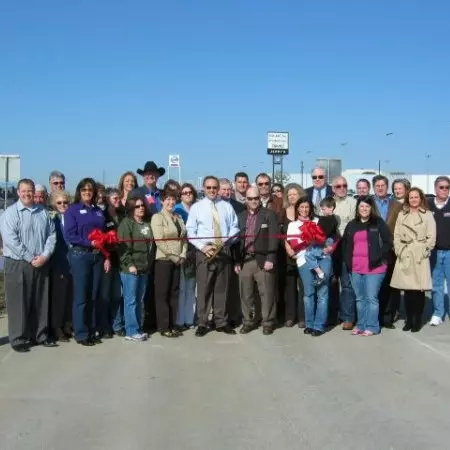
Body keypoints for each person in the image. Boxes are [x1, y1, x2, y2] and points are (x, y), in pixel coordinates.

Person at [0, 178, 57, 352]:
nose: (27, 194)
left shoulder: (43, 213)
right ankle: (18, 338)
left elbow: (51, 235)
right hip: (17, 263)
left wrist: (45, 256)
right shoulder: (9, 214)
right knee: (19, 301)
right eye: (23, 191)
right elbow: (11, 241)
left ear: (34, 192)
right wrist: (30, 257)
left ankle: (40, 335)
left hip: (41, 262)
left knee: (41, 299)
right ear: (18, 192)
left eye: (30, 191)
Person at [186, 175, 239, 336]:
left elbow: (235, 227)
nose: (212, 190)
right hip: (205, 252)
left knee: (221, 288)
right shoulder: (197, 207)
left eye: (214, 187)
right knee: (204, 289)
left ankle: (221, 321)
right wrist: (202, 247)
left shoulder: (226, 206)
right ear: (203, 188)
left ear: (218, 189)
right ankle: (202, 322)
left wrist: (226, 240)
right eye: (208, 187)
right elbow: (190, 231)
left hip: (223, 250)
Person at [64, 178, 110, 346]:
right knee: (81, 297)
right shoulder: (72, 210)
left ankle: (91, 330)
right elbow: (70, 235)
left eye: (90, 189)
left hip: (97, 256)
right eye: (83, 189)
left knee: (93, 295)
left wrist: (106, 255)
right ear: (79, 191)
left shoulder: (98, 211)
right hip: (80, 256)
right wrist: (88, 242)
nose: (87, 192)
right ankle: (81, 334)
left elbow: (103, 233)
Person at [342, 196, 392, 336]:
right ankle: (361, 324)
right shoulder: (352, 224)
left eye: (367, 206)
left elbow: (388, 242)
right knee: (359, 298)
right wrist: (348, 262)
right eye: (362, 206)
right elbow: (346, 245)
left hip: (375, 267)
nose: (364, 209)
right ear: (358, 208)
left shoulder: (378, 223)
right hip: (356, 267)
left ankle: (372, 326)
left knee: (371, 297)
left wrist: (379, 257)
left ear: (371, 208)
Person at [234, 186, 278, 335]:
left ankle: (268, 322)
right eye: (250, 198)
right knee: (245, 294)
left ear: (260, 199)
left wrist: (271, 258)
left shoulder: (269, 215)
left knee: (266, 293)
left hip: (263, 259)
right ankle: (247, 321)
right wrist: (236, 261)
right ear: (246, 199)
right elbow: (236, 241)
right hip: (245, 259)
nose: (253, 201)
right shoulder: (241, 216)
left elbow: (273, 238)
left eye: (256, 198)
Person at [391, 188, 436, 332]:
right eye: (411, 197)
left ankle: (417, 320)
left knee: (419, 290)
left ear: (421, 198)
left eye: (416, 197)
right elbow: (396, 234)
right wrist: (399, 250)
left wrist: (425, 250)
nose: (414, 199)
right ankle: (409, 320)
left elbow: (432, 237)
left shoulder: (428, 215)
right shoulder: (401, 214)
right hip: (405, 253)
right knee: (408, 291)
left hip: (419, 254)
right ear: (407, 199)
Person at [286, 197, 333, 336]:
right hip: (303, 261)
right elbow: (294, 244)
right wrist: (310, 239)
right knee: (308, 294)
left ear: (310, 208)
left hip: (322, 259)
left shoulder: (318, 221)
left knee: (322, 293)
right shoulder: (292, 225)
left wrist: (321, 242)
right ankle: (309, 323)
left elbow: (326, 240)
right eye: (301, 207)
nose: (304, 210)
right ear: (297, 209)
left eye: (307, 207)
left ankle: (319, 326)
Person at [151, 189, 187, 337]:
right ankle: (164, 326)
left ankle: (172, 324)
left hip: (178, 260)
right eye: (167, 199)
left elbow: (184, 238)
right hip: (164, 260)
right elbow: (159, 241)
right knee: (162, 294)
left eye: (173, 199)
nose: (171, 202)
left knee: (174, 293)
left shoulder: (178, 217)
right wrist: (173, 257)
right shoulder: (157, 217)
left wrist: (183, 254)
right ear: (162, 201)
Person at [118, 195, 153, 341]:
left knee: (140, 300)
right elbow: (123, 247)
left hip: (144, 267)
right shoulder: (126, 223)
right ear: (131, 208)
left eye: (142, 205)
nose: (141, 208)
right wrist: (129, 264)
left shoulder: (146, 223)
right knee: (130, 300)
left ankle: (138, 327)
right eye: (138, 206)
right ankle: (131, 330)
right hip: (130, 269)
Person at [372, 174, 402, 328]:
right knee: (374, 285)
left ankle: (388, 317)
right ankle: (374, 317)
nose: (380, 188)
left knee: (390, 285)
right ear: (374, 187)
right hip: (372, 250)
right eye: (377, 185)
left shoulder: (396, 205)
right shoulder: (367, 203)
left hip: (391, 250)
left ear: (387, 187)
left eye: (383, 185)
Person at [98, 188, 125, 338]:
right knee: (105, 295)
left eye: (119, 198)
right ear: (108, 199)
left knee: (117, 294)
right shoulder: (102, 216)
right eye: (115, 198)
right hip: (107, 259)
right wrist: (106, 256)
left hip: (121, 258)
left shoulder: (123, 215)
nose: (118, 201)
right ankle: (104, 325)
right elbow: (99, 238)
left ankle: (117, 324)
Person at [331, 176, 357, 329]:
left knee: (347, 284)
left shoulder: (353, 203)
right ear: (333, 188)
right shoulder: (326, 204)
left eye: (344, 185)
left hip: (347, 247)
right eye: (338, 186)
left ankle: (348, 317)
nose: (342, 188)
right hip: (330, 248)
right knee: (330, 282)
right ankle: (332, 315)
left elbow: (354, 224)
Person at [48, 191, 73, 342]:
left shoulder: (71, 218)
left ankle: (67, 325)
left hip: (72, 261)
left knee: (70, 295)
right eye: (59, 203)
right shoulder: (52, 220)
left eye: (65, 202)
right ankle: (56, 327)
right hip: (58, 261)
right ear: (54, 204)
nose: (63, 205)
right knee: (59, 296)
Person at [282, 183, 306, 328]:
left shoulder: (305, 211)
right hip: (287, 255)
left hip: (303, 255)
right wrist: (288, 247)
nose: (292, 196)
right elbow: (280, 232)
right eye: (289, 194)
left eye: (294, 194)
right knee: (289, 287)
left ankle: (303, 317)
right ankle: (290, 316)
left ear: (300, 195)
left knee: (304, 287)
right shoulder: (283, 211)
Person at [174, 183, 197, 329]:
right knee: (182, 288)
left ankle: (190, 319)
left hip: (195, 251)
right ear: (180, 195)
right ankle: (179, 320)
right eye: (184, 192)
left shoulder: (197, 208)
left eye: (190, 192)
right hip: (182, 252)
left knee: (191, 287)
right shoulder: (177, 210)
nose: (188, 194)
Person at [428, 176, 450, 326]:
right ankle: (437, 313)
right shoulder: (428, 205)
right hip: (434, 253)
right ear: (435, 188)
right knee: (436, 285)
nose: (444, 190)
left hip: (449, 253)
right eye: (441, 187)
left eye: (447, 187)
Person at [304, 197, 338, 286]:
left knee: (308, 255)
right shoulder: (333, 219)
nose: (322, 211)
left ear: (331, 207)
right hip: (326, 242)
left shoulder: (327, 219)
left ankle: (321, 273)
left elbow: (323, 232)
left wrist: (313, 237)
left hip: (325, 242)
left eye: (324, 209)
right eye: (322, 209)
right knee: (321, 256)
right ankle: (328, 273)